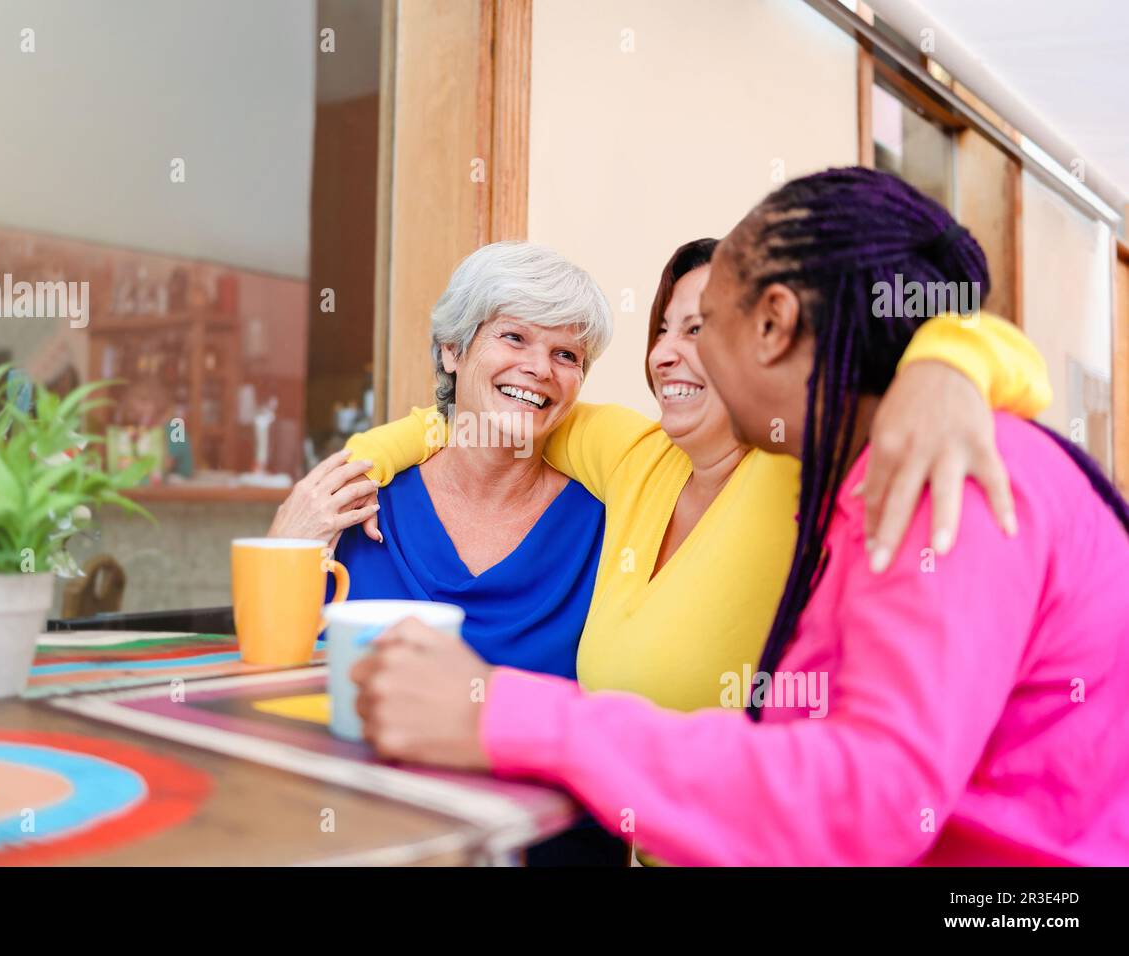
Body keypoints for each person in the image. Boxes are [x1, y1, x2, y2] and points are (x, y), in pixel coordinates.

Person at [349, 167, 1129, 866]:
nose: (676, 355)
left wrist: (504, 714)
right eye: (665, 328)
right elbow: (487, 416)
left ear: (775, 322)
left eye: (705, 323)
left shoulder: (942, 466)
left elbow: (873, 799)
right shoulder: (835, 469)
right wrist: (360, 463)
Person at [268, 241, 611, 681]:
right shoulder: (357, 502)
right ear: (453, 349)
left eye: (566, 355)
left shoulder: (602, 525)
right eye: (514, 337)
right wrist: (284, 549)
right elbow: (269, 662)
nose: (541, 369)